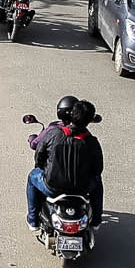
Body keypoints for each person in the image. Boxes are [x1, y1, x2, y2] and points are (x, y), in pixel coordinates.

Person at [28, 98, 105, 230]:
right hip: (83, 189)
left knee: (32, 177)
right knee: (97, 180)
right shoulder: (92, 142)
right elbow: (98, 169)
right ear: (89, 120)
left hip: (52, 187)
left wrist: (44, 168)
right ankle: (96, 220)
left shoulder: (53, 134)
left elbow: (39, 157)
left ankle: (33, 220)